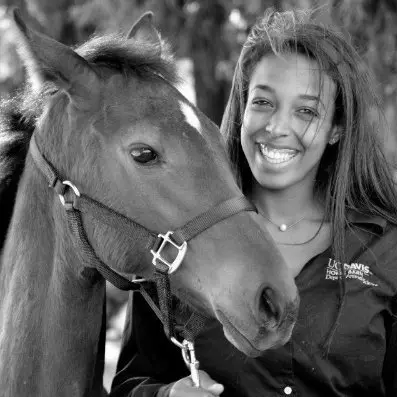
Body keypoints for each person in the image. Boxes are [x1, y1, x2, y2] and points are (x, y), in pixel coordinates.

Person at [109, 9, 397, 397]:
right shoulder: (175, 236)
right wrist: (166, 395)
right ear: (243, 107)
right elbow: (131, 383)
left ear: (336, 129)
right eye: (263, 102)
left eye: (307, 111)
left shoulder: (386, 248)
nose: (277, 127)